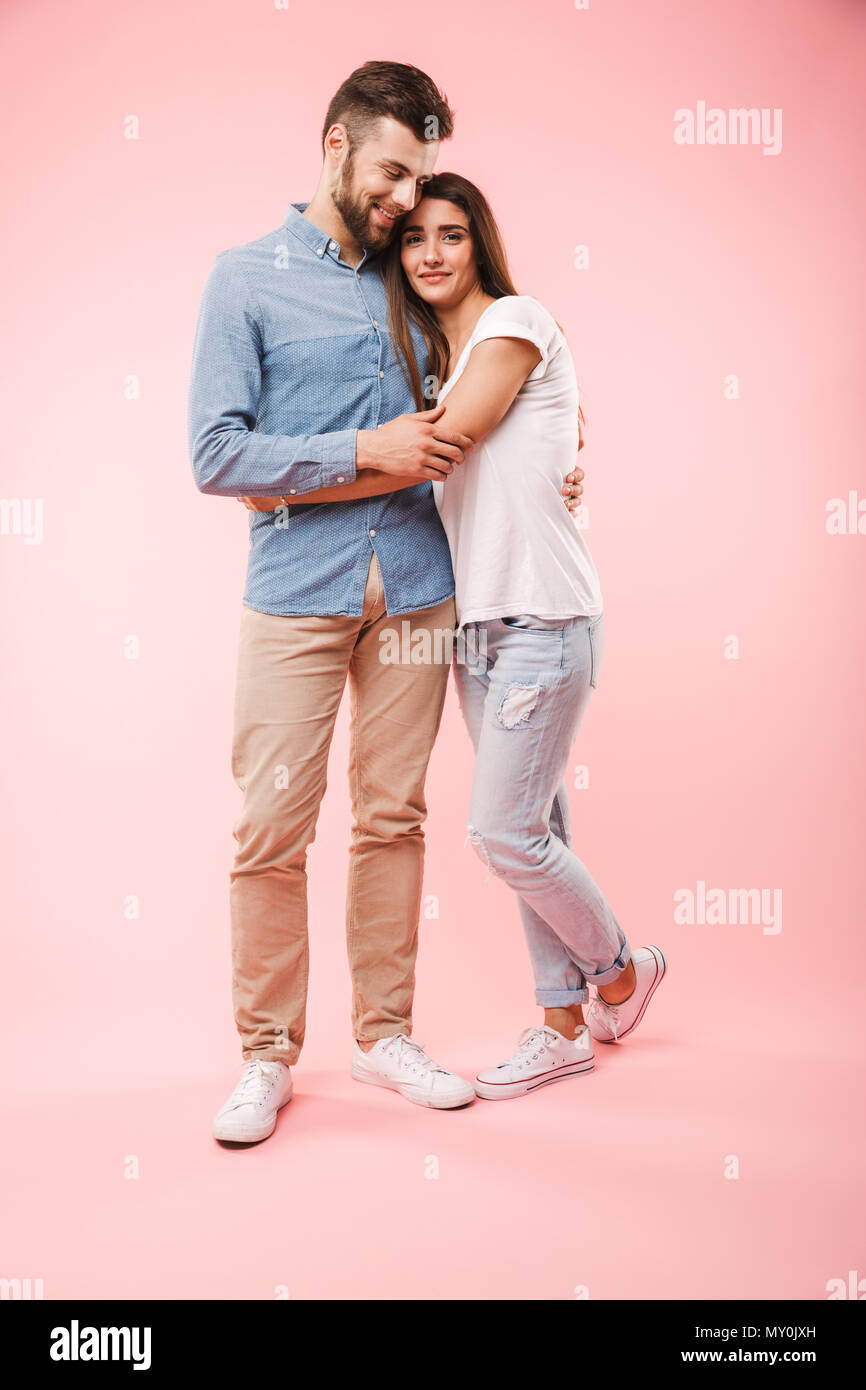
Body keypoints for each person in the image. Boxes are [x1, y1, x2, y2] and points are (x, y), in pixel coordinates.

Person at [188, 62, 585, 1142]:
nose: (408, 202)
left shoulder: (417, 278)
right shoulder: (244, 279)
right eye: (393, 172)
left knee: (391, 818)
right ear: (335, 144)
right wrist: (364, 452)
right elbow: (217, 453)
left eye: (421, 181)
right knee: (270, 826)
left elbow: (482, 406)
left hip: (417, 590)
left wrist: (557, 454)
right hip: (294, 594)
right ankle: (266, 1054)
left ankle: (383, 1035)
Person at [290, 171, 668, 1101]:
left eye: (450, 235)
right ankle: (563, 1025)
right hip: (478, 629)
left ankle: (623, 971)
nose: (429, 254)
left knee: (504, 833)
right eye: (412, 239)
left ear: (478, 243)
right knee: (536, 823)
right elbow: (510, 448)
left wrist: (284, 476)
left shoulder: (515, 324)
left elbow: (439, 445)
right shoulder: (442, 363)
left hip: (546, 617)